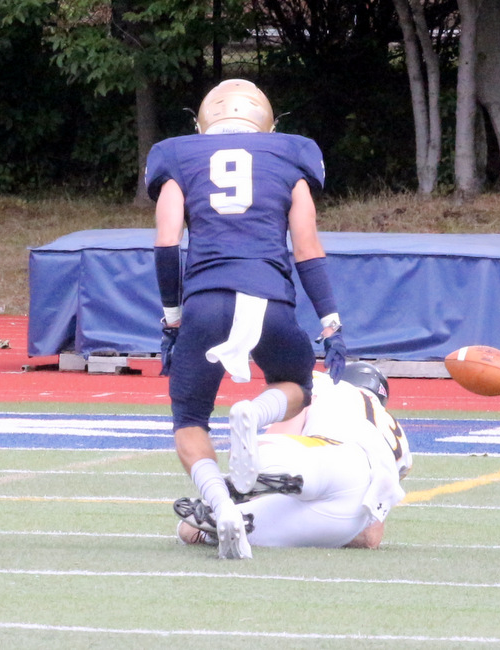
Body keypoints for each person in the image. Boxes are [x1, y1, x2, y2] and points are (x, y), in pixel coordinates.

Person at [146, 79, 347, 559]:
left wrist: (171, 318)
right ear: (269, 124)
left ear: (201, 122)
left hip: (206, 299)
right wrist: (331, 320)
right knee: (297, 386)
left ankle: (219, 505)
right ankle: (253, 413)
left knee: (190, 420)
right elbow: (307, 246)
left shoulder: (178, 157)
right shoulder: (290, 157)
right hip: (271, 297)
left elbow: (167, 242)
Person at [174, 362, 413, 549]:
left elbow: (285, 429)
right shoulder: (398, 438)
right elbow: (371, 536)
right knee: (208, 529)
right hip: (350, 511)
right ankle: (234, 520)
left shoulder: (325, 384)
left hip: (329, 454)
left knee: (188, 528)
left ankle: (266, 478)